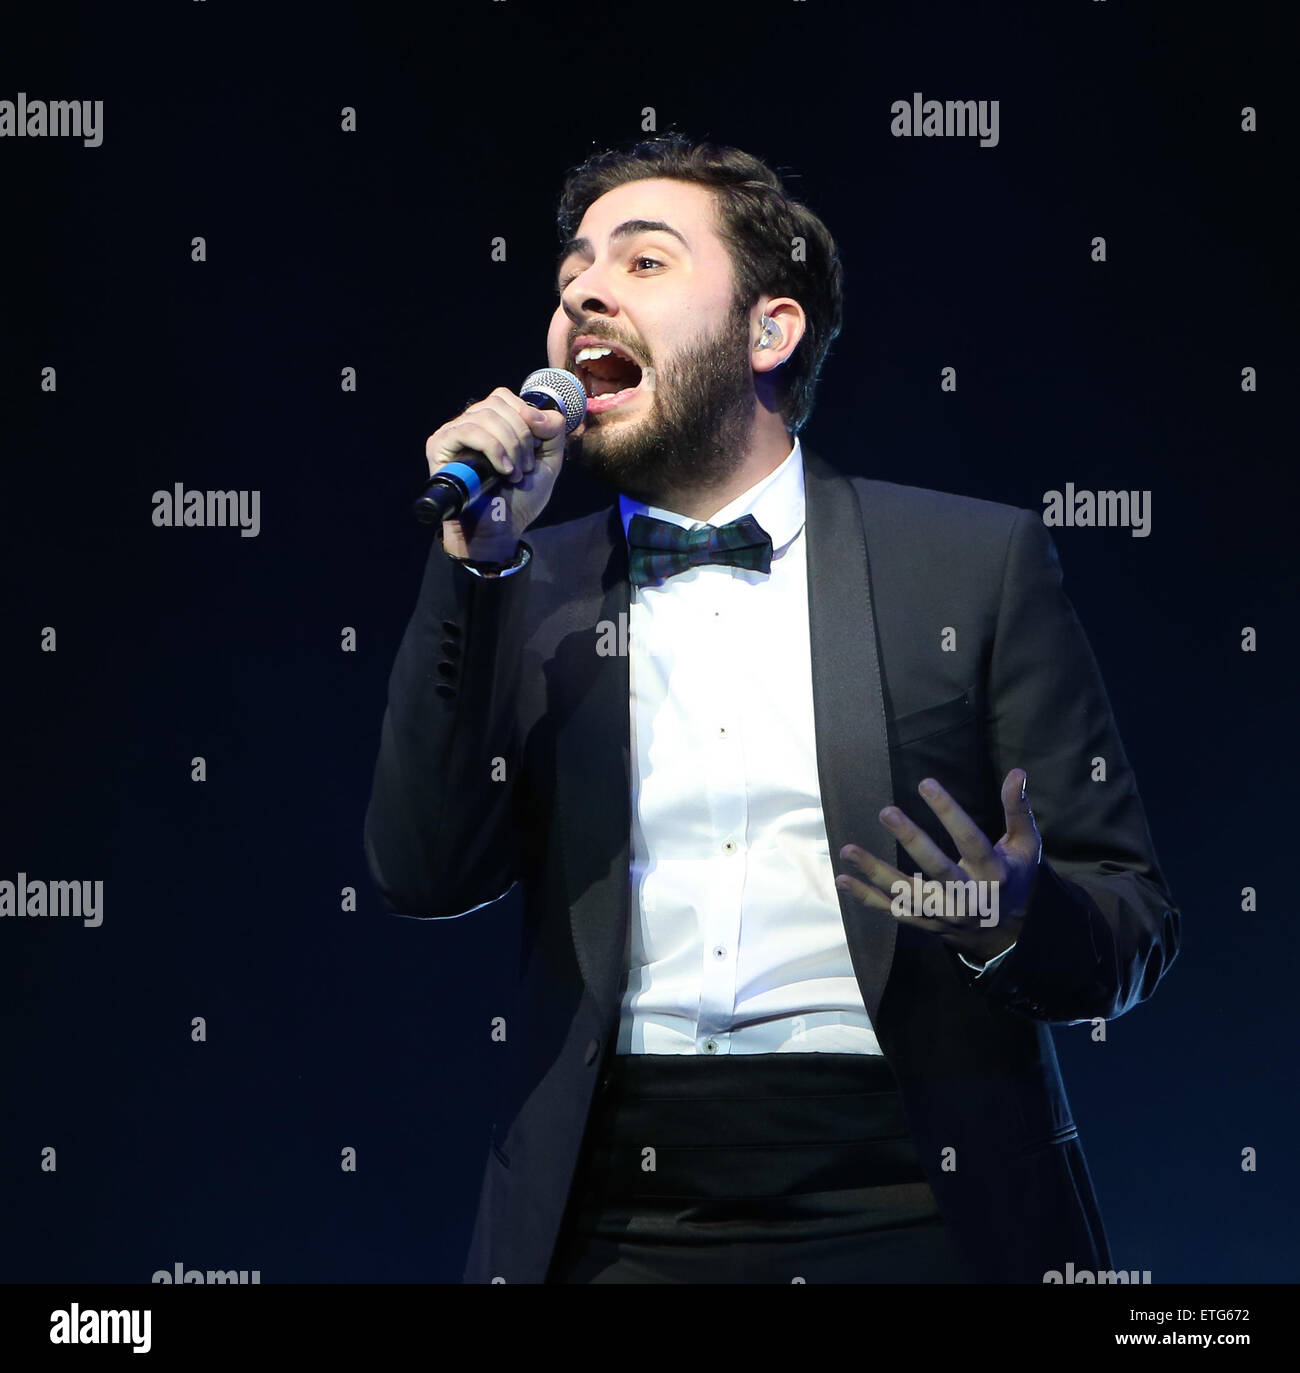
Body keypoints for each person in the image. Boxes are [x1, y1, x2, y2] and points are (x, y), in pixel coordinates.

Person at [363, 134, 1180, 1284]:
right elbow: (422, 868)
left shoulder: (965, 562)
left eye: (643, 263)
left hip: (913, 1200)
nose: (584, 291)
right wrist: (478, 567)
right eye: (570, 276)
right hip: (611, 1213)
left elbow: (1132, 920)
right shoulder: (524, 585)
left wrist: (1013, 919)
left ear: (769, 330)